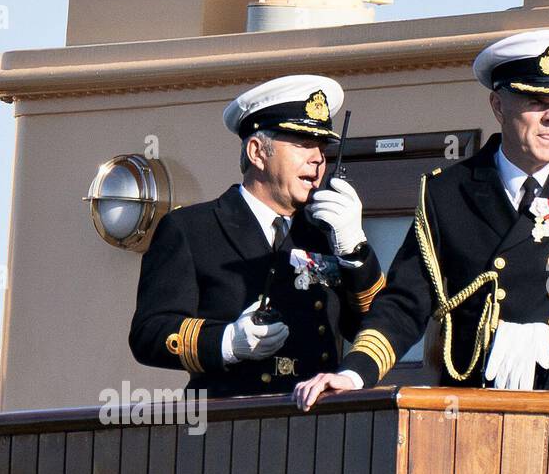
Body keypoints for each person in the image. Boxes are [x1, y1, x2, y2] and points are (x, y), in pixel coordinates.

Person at [293, 30, 549, 426]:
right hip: (475, 406)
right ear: (498, 105)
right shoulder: (448, 192)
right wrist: (353, 374)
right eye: (535, 101)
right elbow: (405, 303)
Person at [129, 75, 385, 397]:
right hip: (232, 426)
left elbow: (374, 327)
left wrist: (356, 252)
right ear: (257, 152)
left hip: (319, 424)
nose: (318, 159)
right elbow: (149, 333)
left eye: (322, 147)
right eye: (303, 144)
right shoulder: (192, 228)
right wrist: (226, 342)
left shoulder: (325, 234)